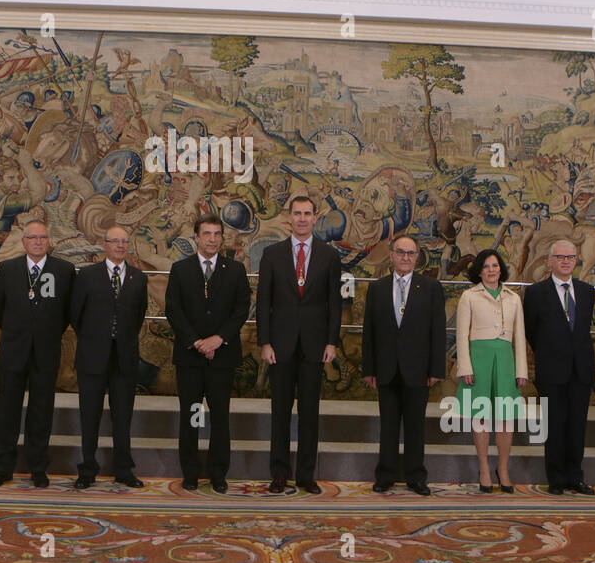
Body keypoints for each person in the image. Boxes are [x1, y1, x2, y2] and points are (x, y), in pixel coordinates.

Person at [256, 195, 342, 494]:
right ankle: (279, 473)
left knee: (309, 412)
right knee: (279, 412)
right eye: (297, 213)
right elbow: (263, 303)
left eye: (308, 213)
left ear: (315, 218)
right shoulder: (272, 254)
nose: (303, 218)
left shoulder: (329, 256)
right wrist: (264, 342)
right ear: (288, 217)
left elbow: (335, 303)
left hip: (315, 346)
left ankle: (305, 474)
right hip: (279, 346)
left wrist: (332, 342)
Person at [165, 213, 251, 492]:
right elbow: (173, 311)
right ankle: (190, 472)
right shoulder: (181, 269)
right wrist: (197, 343)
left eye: (217, 234)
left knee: (220, 417)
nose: (212, 239)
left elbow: (240, 310)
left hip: (222, 358)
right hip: (190, 357)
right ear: (196, 238)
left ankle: (218, 473)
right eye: (207, 234)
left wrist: (218, 340)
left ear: (221, 238)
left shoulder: (235, 270)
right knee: (192, 415)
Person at [0, 219, 75, 488]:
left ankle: (38, 467)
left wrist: (43, 334)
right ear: (24, 242)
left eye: (43, 238)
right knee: (6, 411)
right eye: (33, 237)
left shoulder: (64, 270)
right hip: (13, 351)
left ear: (49, 242)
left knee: (41, 412)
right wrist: (19, 332)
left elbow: (67, 313)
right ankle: (3, 467)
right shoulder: (7, 269)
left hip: (46, 353)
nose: (38, 242)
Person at [362, 234, 446, 495]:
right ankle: (385, 476)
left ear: (417, 257)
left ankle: (416, 477)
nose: (405, 257)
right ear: (392, 255)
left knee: (415, 427)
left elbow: (438, 332)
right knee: (387, 426)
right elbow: (369, 332)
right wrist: (369, 369)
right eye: (401, 252)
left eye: (410, 253)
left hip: (418, 370)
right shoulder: (377, 288)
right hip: (386, 368)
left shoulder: (431, 288)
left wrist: (435, 369)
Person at [70, 226, 148, 489]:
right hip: (92, 357)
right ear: (104, 245)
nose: (120, 245)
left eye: (124, 241)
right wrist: (97, 339)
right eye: (115, 241)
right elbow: (76, 315)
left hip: (124, 359)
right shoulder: (87, 275)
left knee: (123, 417)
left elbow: (139, 316)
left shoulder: (138, 278)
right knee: (89, 416)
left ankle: (124, 470)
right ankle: (87, 470)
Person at [522, 239, 595, 495]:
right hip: (551, 369)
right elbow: (531, 331)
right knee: (554, 425)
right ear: (550, 261)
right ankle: (555, 478)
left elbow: (583, 331)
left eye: (571, 257)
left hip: (581, 370)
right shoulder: (535, 293)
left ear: (576, 260)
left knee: (577, 425)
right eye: (561, 257)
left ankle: (575, 476)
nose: (566, 261)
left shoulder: (587, 291)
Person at [454, 248, 528, 493]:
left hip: (505, 360)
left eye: (495, 265)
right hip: (479, 359)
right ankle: (484, 467)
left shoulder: (513, 297)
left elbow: (520, 337)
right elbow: (461, 335)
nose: (491, 270)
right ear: (479, 271)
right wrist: (465, 366)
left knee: (506, 419)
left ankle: (503, 469)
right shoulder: (469, 296)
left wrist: (521, 371)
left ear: (501, 268)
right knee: (482, 417)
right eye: (486, 266)